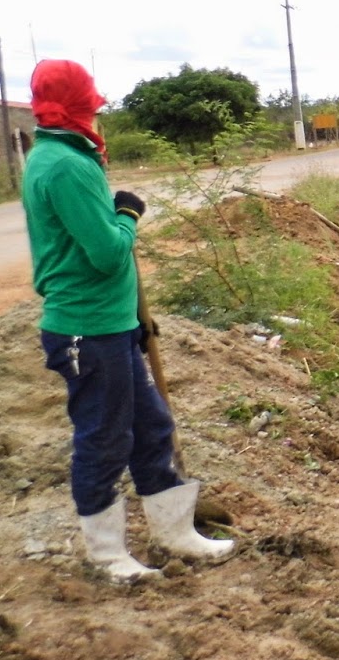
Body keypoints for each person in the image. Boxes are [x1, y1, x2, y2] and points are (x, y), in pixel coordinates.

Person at [23, 59, 235, 584]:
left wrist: (130, 321)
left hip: (110, 324)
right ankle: (106, 555)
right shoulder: (66, 166)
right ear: (81, 106)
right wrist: (128, 216)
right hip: (87, 328)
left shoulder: (65, 155)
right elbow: (106, 254)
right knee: (104, 439)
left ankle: (175, 532)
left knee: (151, 427)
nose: (97, 115)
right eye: (92, 105)